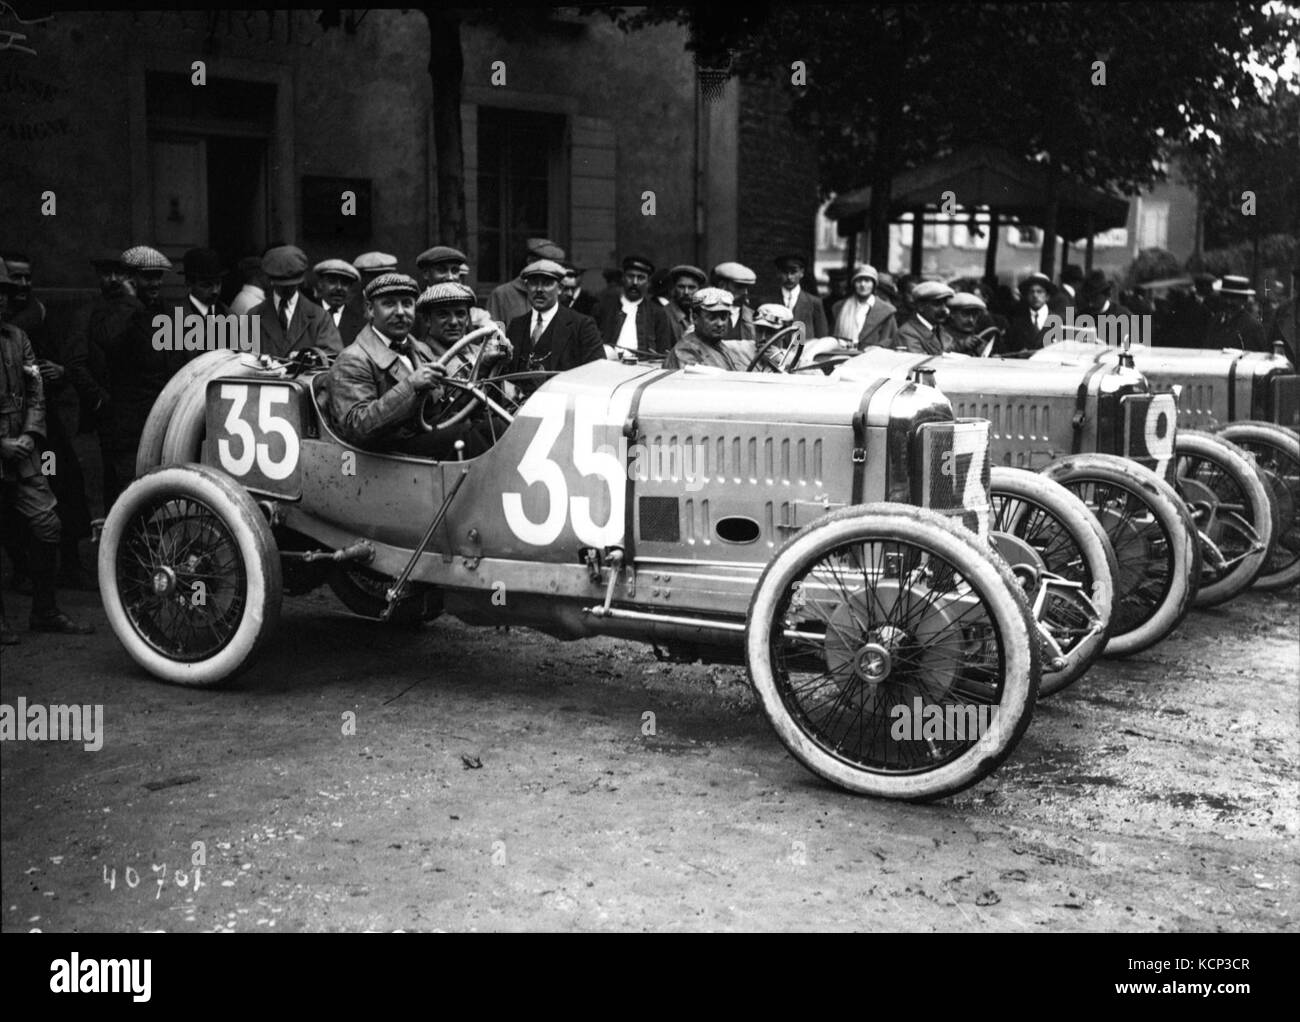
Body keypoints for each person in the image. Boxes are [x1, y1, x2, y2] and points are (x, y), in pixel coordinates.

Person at [0, 262, 94, 642]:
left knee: (48, 525)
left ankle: (45, 611)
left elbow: (36, 390)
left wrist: (30, 434)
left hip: (23, 450)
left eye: (6, 294)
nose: (4, 300)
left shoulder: (17, 337)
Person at [327, 273, 493, 459]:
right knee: (467, 437)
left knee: (491, 428)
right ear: (370, 309)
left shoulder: (420, 349)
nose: (400, 312)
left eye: (406, 303)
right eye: (389, 304)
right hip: (384, 455)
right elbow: (357, 429)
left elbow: (447, 409)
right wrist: (410, 386)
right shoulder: (353, 359)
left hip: (421, 441)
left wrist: (484, 367)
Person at [94, 245, 188, 503]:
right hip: (129, 429)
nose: (156, 282)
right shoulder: (112, 311)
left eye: (159, 276)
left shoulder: (168, 312)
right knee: (129, 499)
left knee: (162, 498)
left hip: (164, 422)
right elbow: (108, 341)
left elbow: (180, 359)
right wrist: (130, 302)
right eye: (148, 277)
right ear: (129, 279)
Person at [505, 260, 604, 390]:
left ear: (560, 289)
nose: (539, 290)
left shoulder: (582, 326)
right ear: (526, 287)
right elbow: (503, 371)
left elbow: (597, 374)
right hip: (517, 408)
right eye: (533, 283)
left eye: (547, 283)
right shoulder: (516, 325)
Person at [251, 246, 342, 357]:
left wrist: (308, 356)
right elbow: (241, 358)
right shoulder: (253, 315)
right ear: (270, 280)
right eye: (281, 285)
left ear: (301, 280)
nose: (286, 289)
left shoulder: (320, 317)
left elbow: (334, 355)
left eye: (291, 285)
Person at [593, 254, 674, 358]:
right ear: (623, 278)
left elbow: (663, 351)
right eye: (630, 276)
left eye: (641, 278)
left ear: (648, 282)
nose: (635, 282)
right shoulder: (604, 307)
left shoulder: (657, 313)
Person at [663, 288, 757, 371]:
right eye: (712, 318)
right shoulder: (686, 352)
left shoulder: (719, 345)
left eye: (724, 317)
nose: (720, 323)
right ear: (695, 318)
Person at [487, 238, 566, 327]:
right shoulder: (502, 294)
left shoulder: (558, 292)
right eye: (548, 267)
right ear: (530, 261)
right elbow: (493, 335)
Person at [831, 264, 898, 349]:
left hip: (872, 358)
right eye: (859, 281)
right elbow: (831, 337)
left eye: (867, 281)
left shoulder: (886, 311)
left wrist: (879, 346)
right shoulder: (839, 307)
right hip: (842, 355)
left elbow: (893, 339)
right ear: (853, 283)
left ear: (873, 284)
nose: (863, 285)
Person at [1205, 275, 1267, 352]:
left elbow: (1256, 357)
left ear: (1243, 300)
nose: (1229, 301)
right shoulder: (1215, 321)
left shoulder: (1252, 327)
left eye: (1234, 298)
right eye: (1226, 296)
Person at [313, 259, 367, 347]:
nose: (339, 288)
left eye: (345, 283)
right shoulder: (305, 314)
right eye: (332, 281)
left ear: (350, 288)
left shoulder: (361, 324)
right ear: (320, 284)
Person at [999, 272, 1056, 355]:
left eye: (1039, 292)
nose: (1035, 295)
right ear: (1027, 296)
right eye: (1031, 292)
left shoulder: (1059, 321)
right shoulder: (1017, 322)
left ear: (1047, 296)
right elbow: (1007, 349)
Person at [774, 254, 829, 339]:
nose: (789, 277)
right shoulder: (769, 302)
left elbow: (822, 337)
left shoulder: (814, 302)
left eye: (794, 272)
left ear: (801, 273)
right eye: (785, 272)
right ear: (778, 273)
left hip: (806, 351)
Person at [897, 281, 955, 355]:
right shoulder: (907, 333)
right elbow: (920, 365)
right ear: (921, 306)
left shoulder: (939, 330)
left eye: (945, 304)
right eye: (937, 304)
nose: (944, 309)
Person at [711, 261, 757, 340]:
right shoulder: (705, 314)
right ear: (722, 285)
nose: (745, 292)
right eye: (739, 287)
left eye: (746, 287)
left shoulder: (752, 317)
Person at [665, 264, 706, 343]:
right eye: (681, 287)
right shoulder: (664, 314)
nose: (686, 292)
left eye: (691, 287)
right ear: (674, 288)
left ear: (699, 289)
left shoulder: (702, 312)